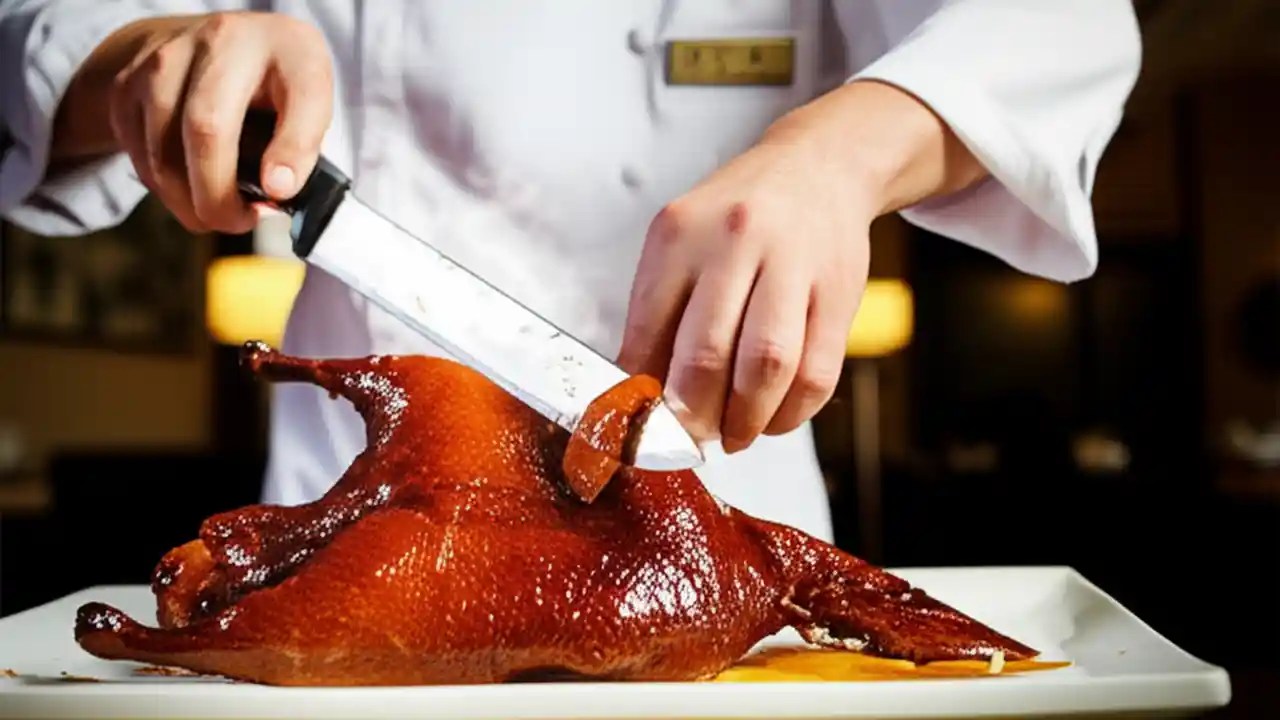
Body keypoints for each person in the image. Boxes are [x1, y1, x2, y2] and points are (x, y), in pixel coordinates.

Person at [0, 1, 1141, 544]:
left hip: (722, 520)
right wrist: (151, 56)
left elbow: (1058, 29)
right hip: (348, 538)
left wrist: (840, 152)